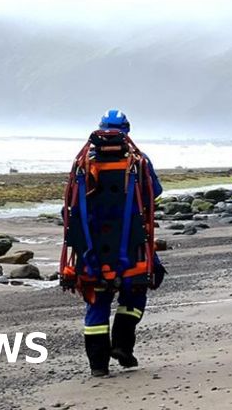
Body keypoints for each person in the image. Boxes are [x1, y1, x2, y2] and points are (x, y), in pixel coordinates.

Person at [60, 109, 165, 377]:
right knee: (136, 293)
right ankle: (121, 345)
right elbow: (155, 193)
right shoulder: (138, 161)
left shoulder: (83, 162)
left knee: (96, 303)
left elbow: (71, 202)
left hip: (91, 248)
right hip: (132, 246)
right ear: (127, 130)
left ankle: (97, 366)